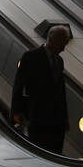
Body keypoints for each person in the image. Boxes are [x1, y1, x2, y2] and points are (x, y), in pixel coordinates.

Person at [10, 26, 72, 154]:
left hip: (56, 120)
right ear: (52, 40)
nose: (64, 48)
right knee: (39, 150)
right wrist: (16, 112)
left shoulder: (59, 61)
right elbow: (19, 85)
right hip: (38, 116)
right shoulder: (30, 57)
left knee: (55, 152)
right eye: (62, 43)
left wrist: (65, 117)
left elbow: (61, 91)